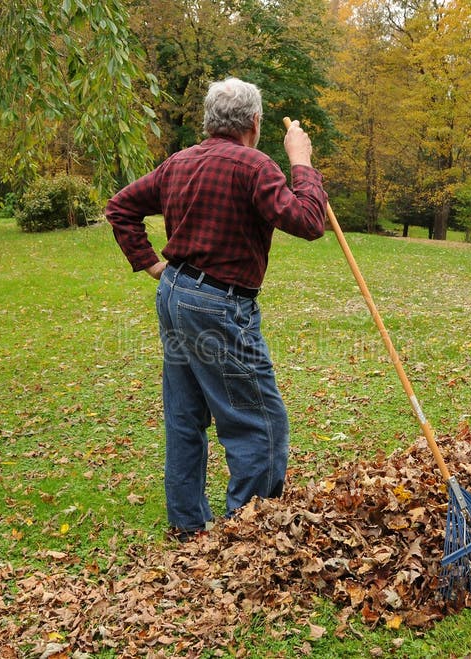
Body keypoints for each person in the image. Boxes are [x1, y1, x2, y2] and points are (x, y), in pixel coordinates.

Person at [105, 77, 328, 540]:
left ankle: (188, 528)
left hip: (175, 295)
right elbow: (309, 221)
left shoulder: (179, 162)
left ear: (210, 121)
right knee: (259, 424)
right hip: (216, 306)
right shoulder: (255, 166)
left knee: (186, 415)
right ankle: (246, 539)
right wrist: (301, 162)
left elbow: (120, 206)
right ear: (254, 122)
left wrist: (152, 265)